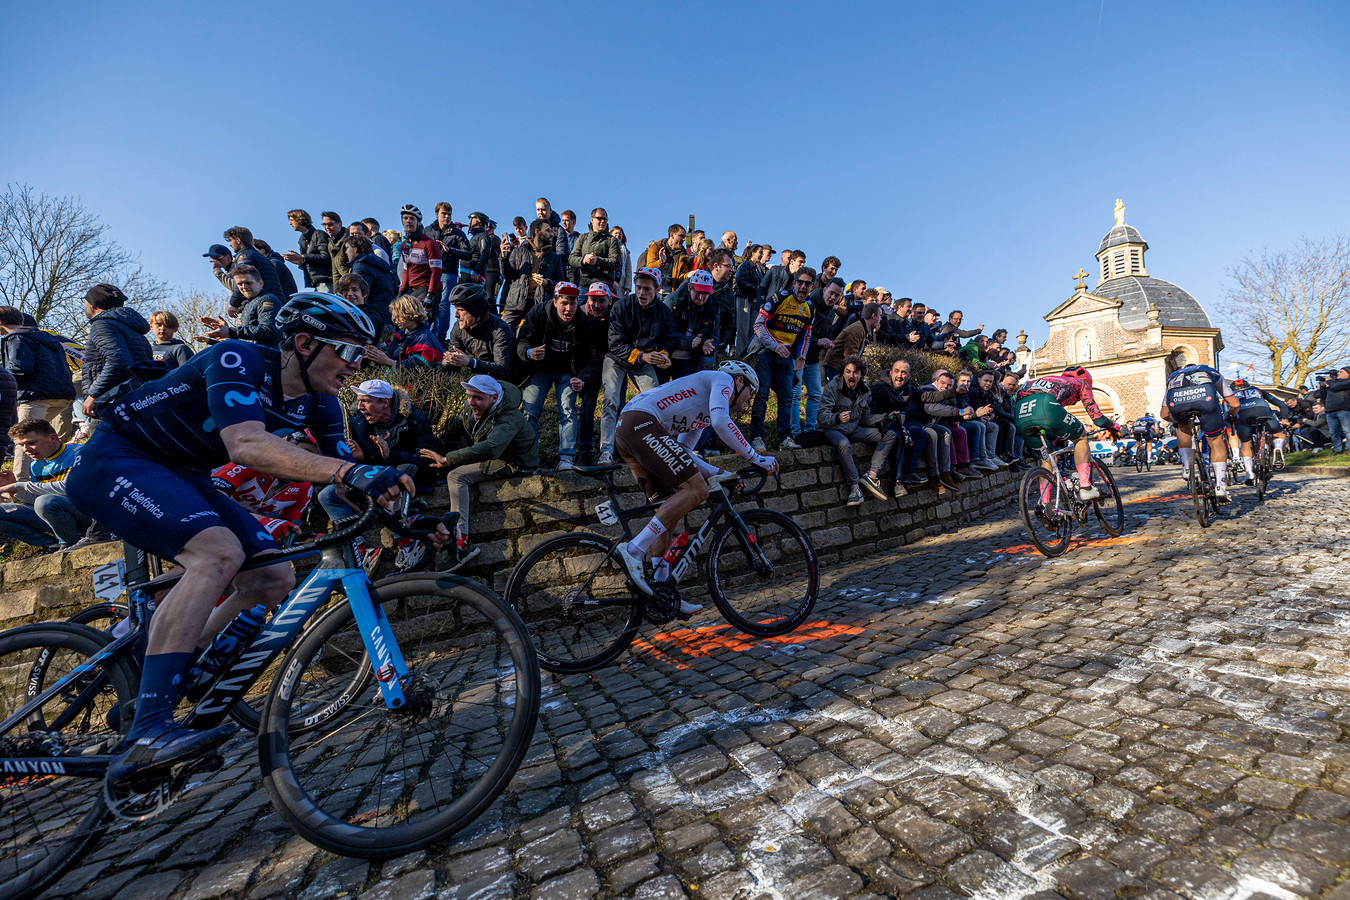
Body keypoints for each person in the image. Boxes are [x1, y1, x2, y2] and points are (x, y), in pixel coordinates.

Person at [65, 293, 447, 784]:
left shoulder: (323, 402)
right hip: (115, 460)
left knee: (272, 578)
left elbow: (343, 476)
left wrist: (405, 520)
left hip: (184, 473)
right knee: (217, 554)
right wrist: (353, 472)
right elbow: (244, 444)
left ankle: (167, 665)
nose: (355, 367)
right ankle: (150, 728)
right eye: (349, 352)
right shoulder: (237, 358)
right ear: (305, 343)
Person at [611, 361, 776, 612]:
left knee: (668, 511)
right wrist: (757, 458)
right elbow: (723, 422)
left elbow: (684, 454)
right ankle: (633, 550)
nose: (747, 403)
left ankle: (661, 591)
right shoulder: (723, 380)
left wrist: (722, 473)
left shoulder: (702, 412)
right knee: (698, 491)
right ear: (740, 381)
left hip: (631, 428)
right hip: (641, 424)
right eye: (749, 394)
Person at [419, 374, 538, 570]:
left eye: (477, 398)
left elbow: (491, 448)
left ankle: (462, 542)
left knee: (456, 476)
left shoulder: (510, 418)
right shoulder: (484, 407)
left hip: (515, 463)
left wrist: (448, 459)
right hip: (498, 456)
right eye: (468, 396)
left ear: (494, 397)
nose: (471, 402)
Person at [317, 379, 438, 571]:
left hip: (408, 478)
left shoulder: (415, 420)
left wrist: (391, 455)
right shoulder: (357, 422)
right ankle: (359, 549)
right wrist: (360, 457)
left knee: (391, 478)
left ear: (385, 402)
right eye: (359, 401)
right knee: (327, 495)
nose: (360, 406)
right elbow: (365, 467)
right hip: (375, 476)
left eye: (365, 401)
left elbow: (429, 462)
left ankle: (408, 541)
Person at [1015, 367, 1120, 503]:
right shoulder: (1081, 384)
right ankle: (1086, 488)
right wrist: (1113, 426)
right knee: (1080, 437)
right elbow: (1097, 418)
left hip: (1020, 414)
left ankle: (1045, 505)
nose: (1075, 402)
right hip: (1045, 405)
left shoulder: (1049, 380)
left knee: (1047, 458)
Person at [600, 272, 673, 464]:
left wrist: (664, 355)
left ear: (657, 290)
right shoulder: (621, 305)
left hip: (644, 361)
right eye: (638, 287)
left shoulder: (664, 311)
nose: (641, 292)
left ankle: (656, 449)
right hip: (616, 358)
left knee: (657, 403)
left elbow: (669, 339)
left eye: (647, 289)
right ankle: (605, 451)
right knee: (611, 401)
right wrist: (642, 356)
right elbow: (614, 342)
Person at [516, 283, 587, 470]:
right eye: (564, 303)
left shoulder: (583, 321)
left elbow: (593, 355)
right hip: (540, 369)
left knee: (568, 410)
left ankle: (567, 458)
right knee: (529, 410)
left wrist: (583, 377)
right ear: (555, 301)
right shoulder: (537, 313)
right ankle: (529, 457)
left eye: (573, 303)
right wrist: (529, 352)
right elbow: (522, 340)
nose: (569, 309)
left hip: (568, 371)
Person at [0, 305, 78, 477]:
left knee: (24, 437)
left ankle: (20, 486)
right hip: (62, 394)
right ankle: (49, 474)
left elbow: (19, 368)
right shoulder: (49, 339)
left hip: (35, 395)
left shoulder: (17, 338)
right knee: (42, 436)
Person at [747, 266, 815, 452]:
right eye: (799, 282)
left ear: (812, 286)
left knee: (787, 398)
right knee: (762, 395)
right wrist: (774, 345)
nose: (802, 287)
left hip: (786, 356)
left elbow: (805, 336)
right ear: (794, 282)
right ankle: (756, 437)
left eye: (807, 284)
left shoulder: (809, 308)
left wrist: (802, 355)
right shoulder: (779, 298)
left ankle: (785, 438)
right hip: (765, 352)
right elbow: (758, 325)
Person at [0, 418, 90, 549]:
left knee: (45, 502)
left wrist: (20, 485)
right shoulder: (36, 463)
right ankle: (50, 545)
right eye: (21, 445)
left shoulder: (78, 453)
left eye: (31, 443)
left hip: (91, 517)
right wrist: (15, 492)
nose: (26, 449)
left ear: (53, 438)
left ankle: (68, 544)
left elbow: (71, 488)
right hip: (61, 517)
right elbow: (35, 501)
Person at [818, 357, 897, 506]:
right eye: (848, 372)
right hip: (832, 429)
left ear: (861, 374)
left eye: (856, 372)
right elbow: (822, 416)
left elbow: (866, 418)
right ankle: (854, 488)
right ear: (843, 373)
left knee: (890, 434)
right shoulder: (832, 387)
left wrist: (886, 417)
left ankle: (871, 476)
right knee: (843, 443)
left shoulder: (864, 391)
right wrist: (837, 417)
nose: (851, 375)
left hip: (853, 429)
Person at [1159, 363, 1240, 501]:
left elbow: (1164, 414)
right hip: (1205, 400)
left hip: (1178, 402)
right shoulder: (1209, 370)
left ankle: (1186, 468)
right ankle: (1220, 487)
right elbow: (1235, 403)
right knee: (1215, 441)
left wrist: (1181, 422)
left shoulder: (1173, 377)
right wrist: (1232, 414)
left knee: (1183, 428)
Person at [868, 358, 942, 494]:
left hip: (899, 425)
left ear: (908, 376)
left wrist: (954, 393)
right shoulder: (879, 387)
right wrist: (890, 416)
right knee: (899, 437)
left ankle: (909, 472)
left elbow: (930, 397)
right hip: (880, 426)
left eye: (903, 372)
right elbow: (870, 413)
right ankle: (897, 481)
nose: (899, 375)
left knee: (921, 434)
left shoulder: (908, 389)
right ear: (890, 373)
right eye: (896, 371)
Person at [80, 284, 154, 418]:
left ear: (93, 305)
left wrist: (94, 394)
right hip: (137, 396)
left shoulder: (102, 324)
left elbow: (118, 361)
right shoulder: (130, 326)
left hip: (112, 400)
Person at [501, 219, 566, 331]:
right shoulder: (519, 252)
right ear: (537, 231)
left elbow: (560, 284)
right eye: (548, 231)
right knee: (503, 332)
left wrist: (548, 283)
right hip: (515, 304)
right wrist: (503, 257)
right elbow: (507, 275)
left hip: (539, 306)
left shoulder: (555, 258)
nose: (551, 234)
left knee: (534, 339)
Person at [443, 282, 515, 380]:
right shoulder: (458, 328)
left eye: (460, 310)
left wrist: (471, 362)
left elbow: (502, 370)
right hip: (483, 378)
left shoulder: (500, 330)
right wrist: (447, 363)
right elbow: (453, 370)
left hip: (509, 380)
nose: (455, 315)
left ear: (475, 310)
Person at [200, 264, 282, 348]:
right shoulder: (248, 304)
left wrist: (231, 331)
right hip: (255, 355)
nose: (244, 287)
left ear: (260, 283)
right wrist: (226, 333)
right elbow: (249, 338)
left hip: (267, 358)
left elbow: (268, 331)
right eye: (240, 284)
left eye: (248, 283)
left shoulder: (267, 300)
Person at [1229, 377, 1290, 481]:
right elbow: (1282, 404)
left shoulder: (1230, 395)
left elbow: (1226, 412)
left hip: (1243, 413)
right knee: (1278, 434)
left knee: (1245, 443)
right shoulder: (1257, 390)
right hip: (1262, 410)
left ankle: (1249, 472)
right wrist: (1285, 419)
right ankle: (1278, 449)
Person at [365, 295, 444, 369]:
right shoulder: (402, 335)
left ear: (411, 314)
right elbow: (393, 353)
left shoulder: (425, 338)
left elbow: (421, 367)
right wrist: (375, 353)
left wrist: (389, 362)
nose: (396, 320)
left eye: (399, 316)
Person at [395, 205, 443, 305]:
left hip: (430, 288)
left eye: (412, 219)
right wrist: (402, 291)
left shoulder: (429, 243)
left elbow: (436, 271)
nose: (408, 221)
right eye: (405, 218)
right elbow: (406, 271)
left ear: (419, 222)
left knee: (419, 318)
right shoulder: (404, 245)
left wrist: (431, 294)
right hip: (415, 289)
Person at [569, 208, 621, 290]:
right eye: (600, 218)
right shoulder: (582, 238)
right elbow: (572, 258)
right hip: (584, 285)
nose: (603, 221)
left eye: (605, 219)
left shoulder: (612, 240)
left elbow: (616, 262)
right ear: (592, 220)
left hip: (603, 285)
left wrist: (597, 260)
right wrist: (584, 260)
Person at [282, 210, 332, 291]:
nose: (290, 223)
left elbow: (326, 257)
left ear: (300, 219)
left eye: (291, 220)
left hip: (326, 281)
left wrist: (302, 257)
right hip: (317, 283)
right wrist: (300, 262)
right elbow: (311, 261)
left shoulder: (319, 235)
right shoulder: (302, 240)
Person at [1322, 366, 1350, 454]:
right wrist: (1323, 386)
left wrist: (1329, 381)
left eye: (1341, 372)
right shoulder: (1332, 383)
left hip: (1343, 409)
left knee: (1347, 430)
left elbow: (1336, 387)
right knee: (1333, 432)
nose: (1338, 373)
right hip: (1330, 410)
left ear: (1348, 374)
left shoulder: (1347, 382)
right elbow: (1323, 396)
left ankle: (1349, 448)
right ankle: (1337, 449)